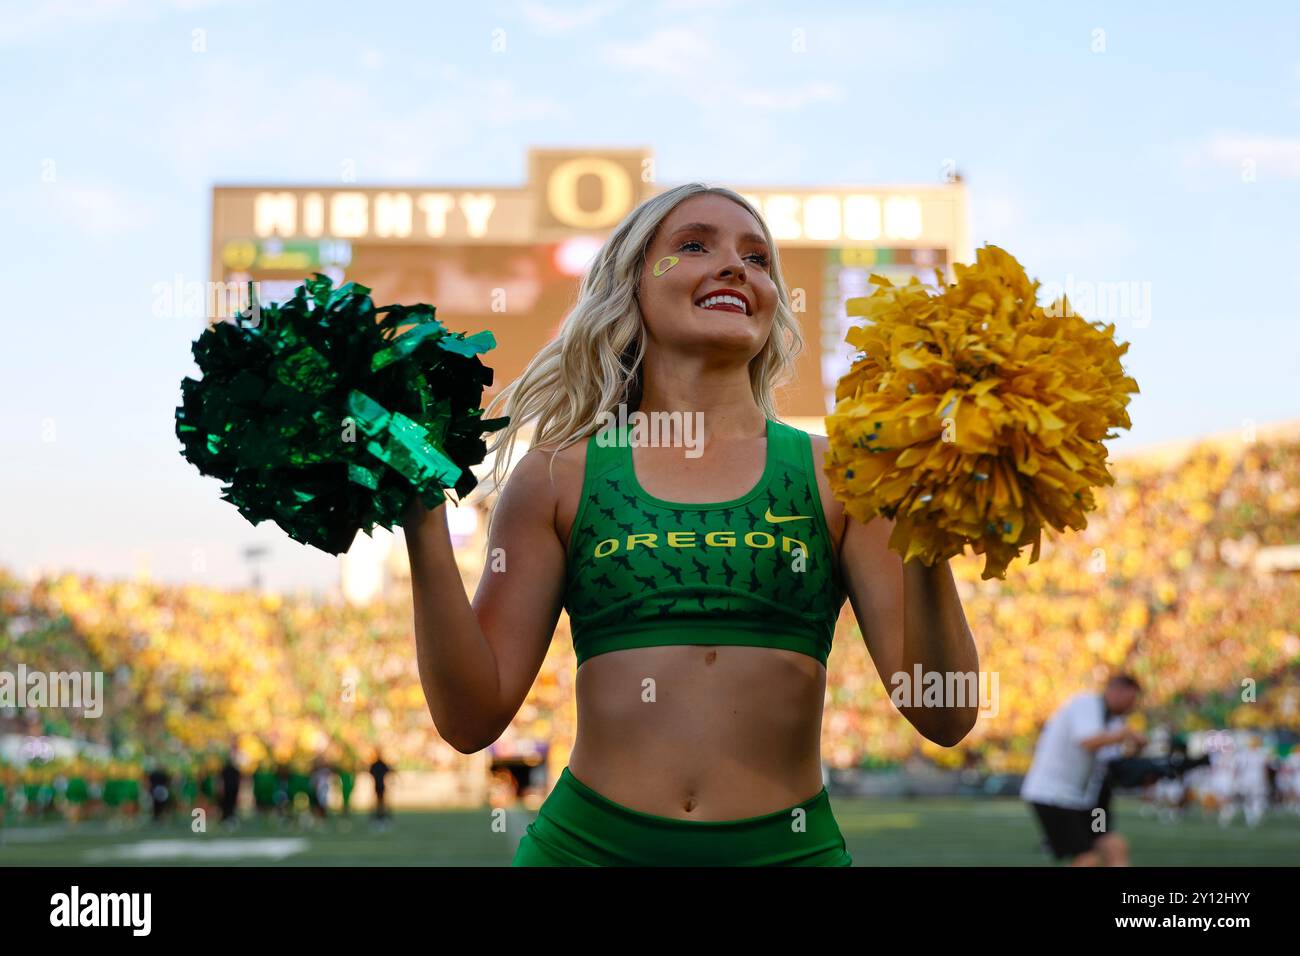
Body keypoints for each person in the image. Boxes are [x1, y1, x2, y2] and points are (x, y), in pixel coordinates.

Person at [403, 183, 980, 866]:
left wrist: (929, 539)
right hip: (585, 853)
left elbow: (945, 714)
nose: (737, 266)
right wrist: (420, 518)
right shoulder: (558, 476)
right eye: (695, 245)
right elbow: (471, 722)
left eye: (758, 259)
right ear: (632, 284)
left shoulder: (845, 477)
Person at [1020, 674, 1145, 866]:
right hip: (1054, 797)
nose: (1133, 705)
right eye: (1131, 698)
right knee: (1088, 858)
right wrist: (1125, 735)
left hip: (1088, 802)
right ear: (1117, 691)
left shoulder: (1114, 722)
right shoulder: (1086, 704)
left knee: (1114, 845)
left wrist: (1137, 749)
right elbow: (1089, 741)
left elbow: (1114, 760)